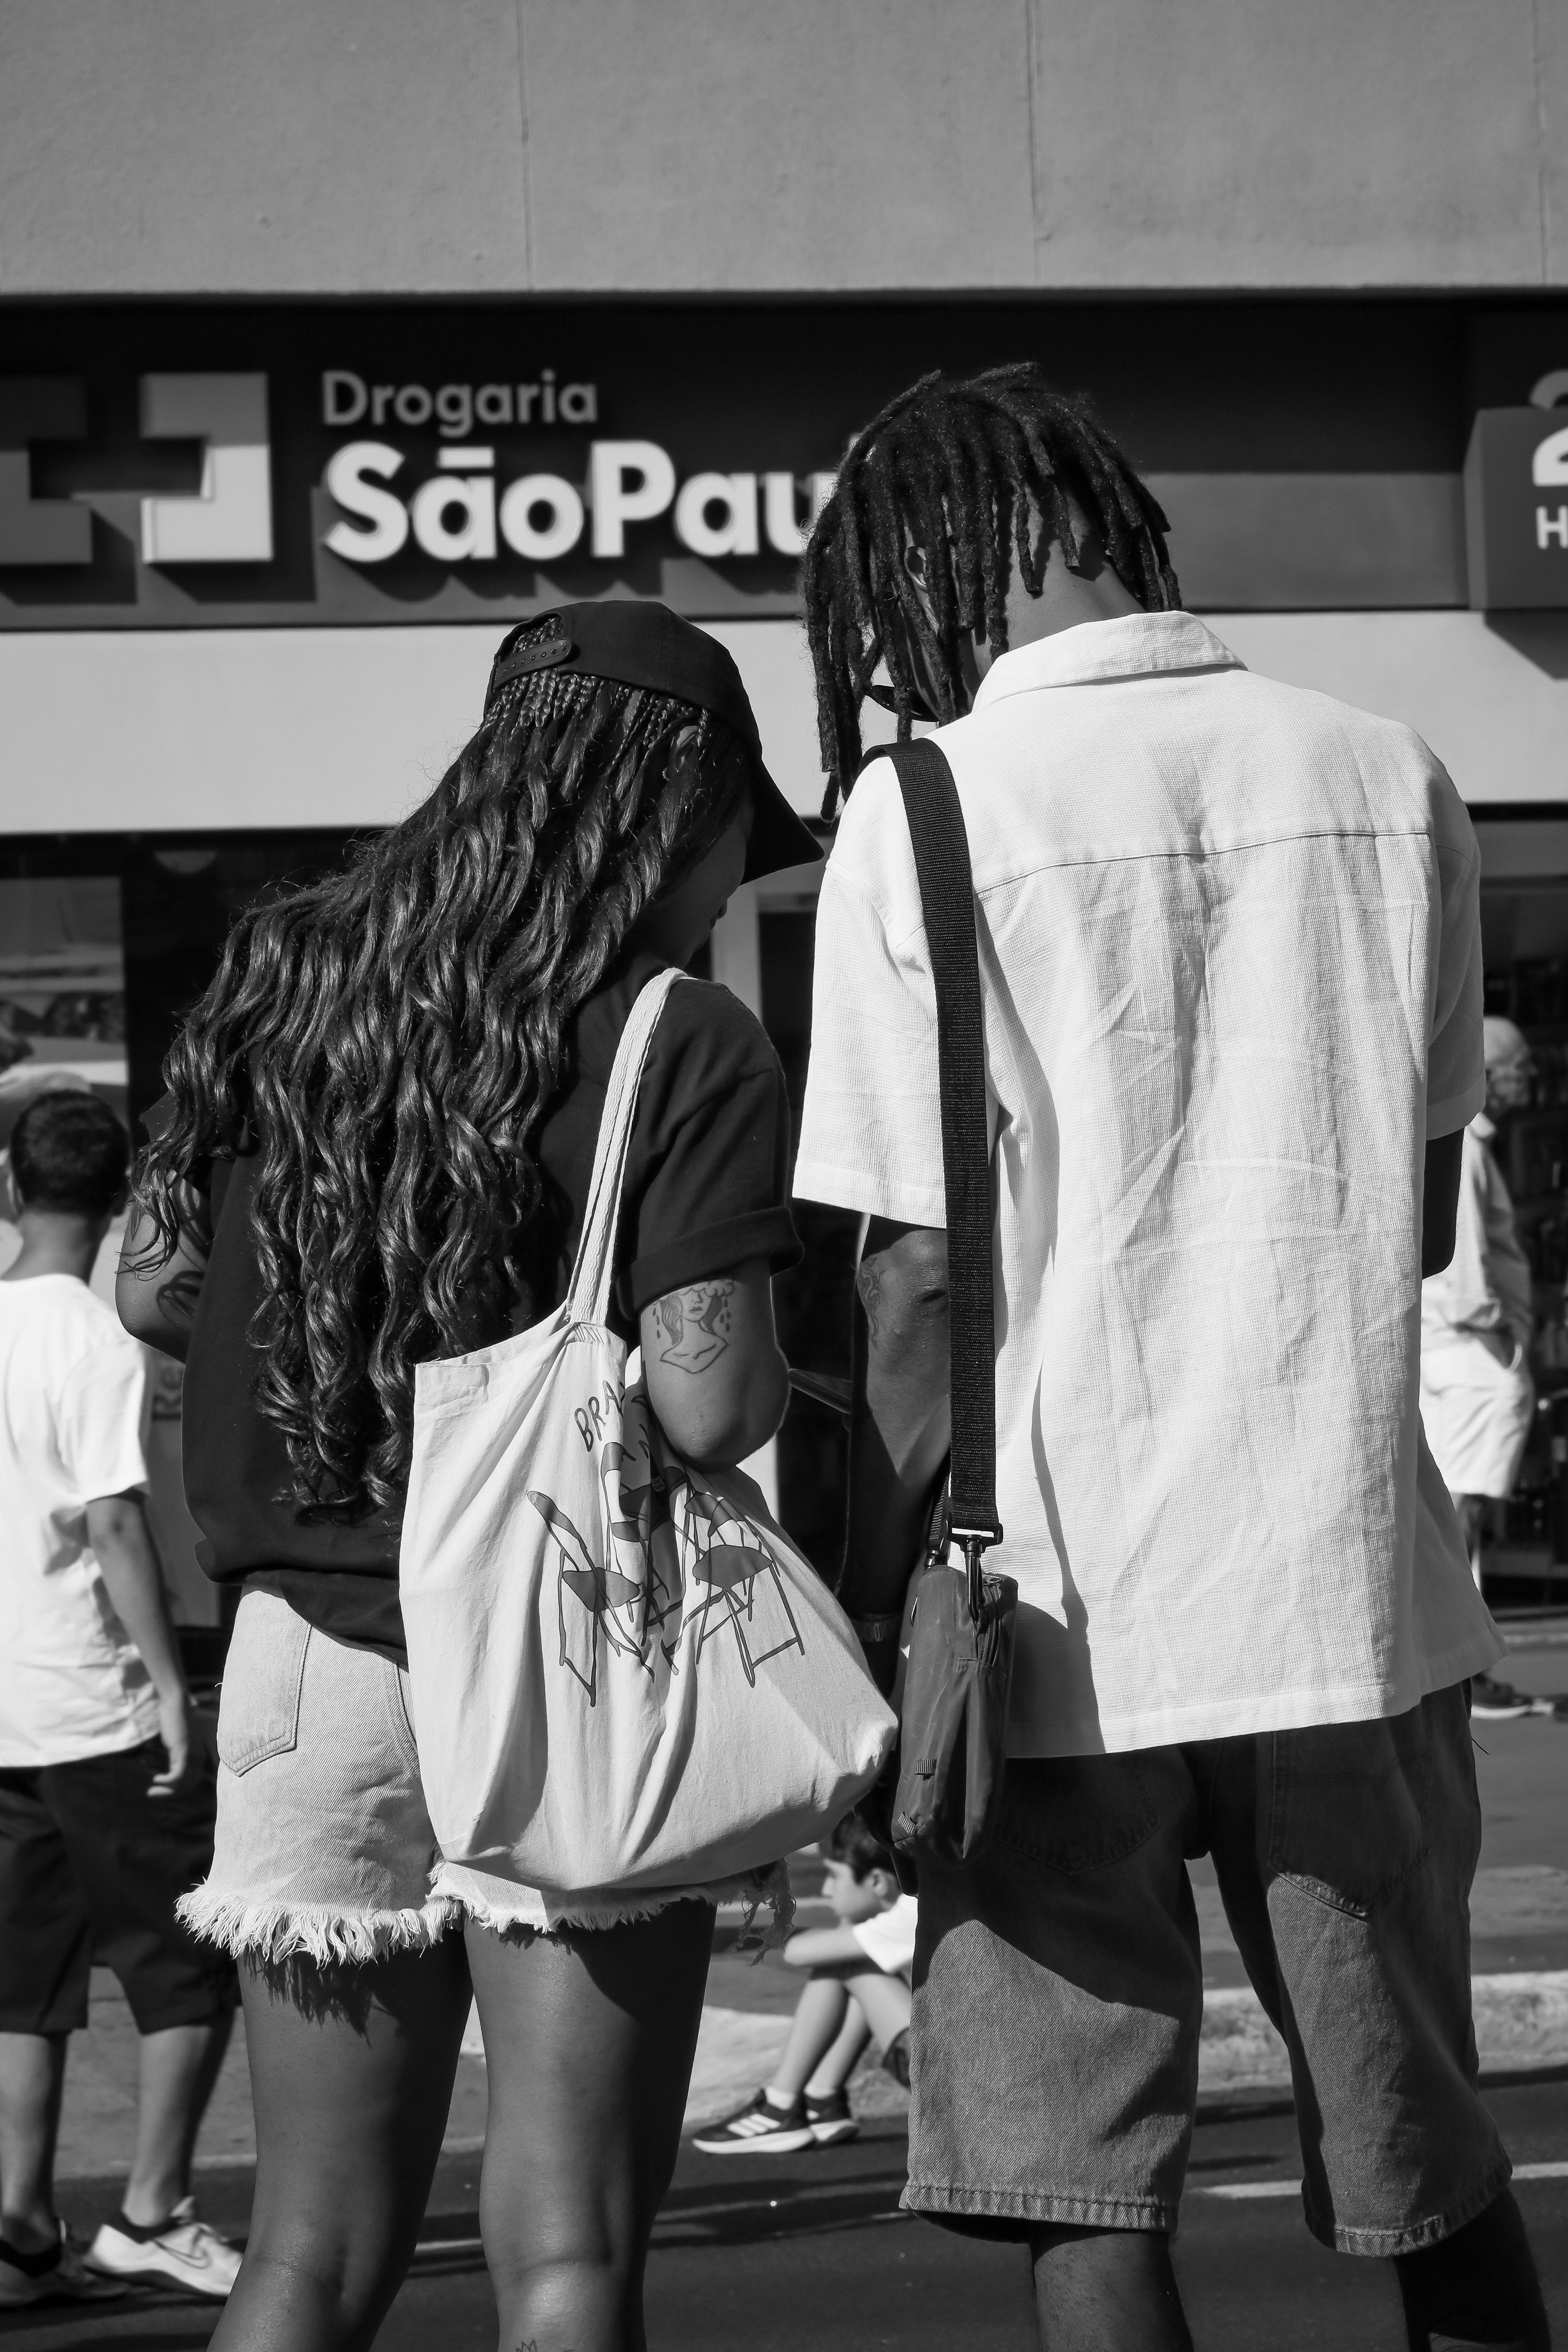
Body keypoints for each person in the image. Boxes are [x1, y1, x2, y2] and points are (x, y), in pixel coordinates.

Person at [793, 366, 1549, 2352]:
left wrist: (887, 1593)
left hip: (1056, 1602)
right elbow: (1398, 1198)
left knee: (1079, 2177)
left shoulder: (927, 807)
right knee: (1428, 2155)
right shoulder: (1389, 767)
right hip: (1345, 1582)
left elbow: (906, 1285)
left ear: (923, 575)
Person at [116, 602, 820, 2352]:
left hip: (308, 1658)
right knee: (567, 2257)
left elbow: (149, 1285)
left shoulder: (293, 983)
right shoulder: (682, 1036)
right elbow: (711, 1399)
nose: (738, 872)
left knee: (306, 2259)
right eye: (739, 826)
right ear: (664, 807)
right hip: (559, 1654)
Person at [0, 1090, 239, 2310]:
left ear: (9, 1183)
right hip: (91, 1697)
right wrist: (168, 1684)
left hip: (5, 1706)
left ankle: (25, 2225)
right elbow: (111, 1520)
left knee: (24, 1981)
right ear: (121, 1199)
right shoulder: (97, 1342)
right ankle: (150, 2210)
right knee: (186, 1966)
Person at [1421, 1016, 1540, 1718]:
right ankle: (1465, 1673)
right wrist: (1502, 1339)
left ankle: (1465, 1668)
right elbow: (1465, 1270)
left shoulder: (1472, 1145)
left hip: (1466, 1348)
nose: (1529, 1077)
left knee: (1460, 1513)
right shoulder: (1465, 1149)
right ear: (1488, 1071)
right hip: (1469, 1349)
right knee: (1458, 1514)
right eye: (1518, 1065)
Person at [693, 1814, 915, 2154]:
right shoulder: (923, 1905)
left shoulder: (908, 1914)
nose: (827, 1889)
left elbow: (799, 1952)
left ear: (877, 1882)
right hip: (979, 2070)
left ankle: (781, 2105)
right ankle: (821, 2100)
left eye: (835, 1876)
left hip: (957, 2078)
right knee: (858, 1959)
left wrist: (849, 1920)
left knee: (848, 1962)